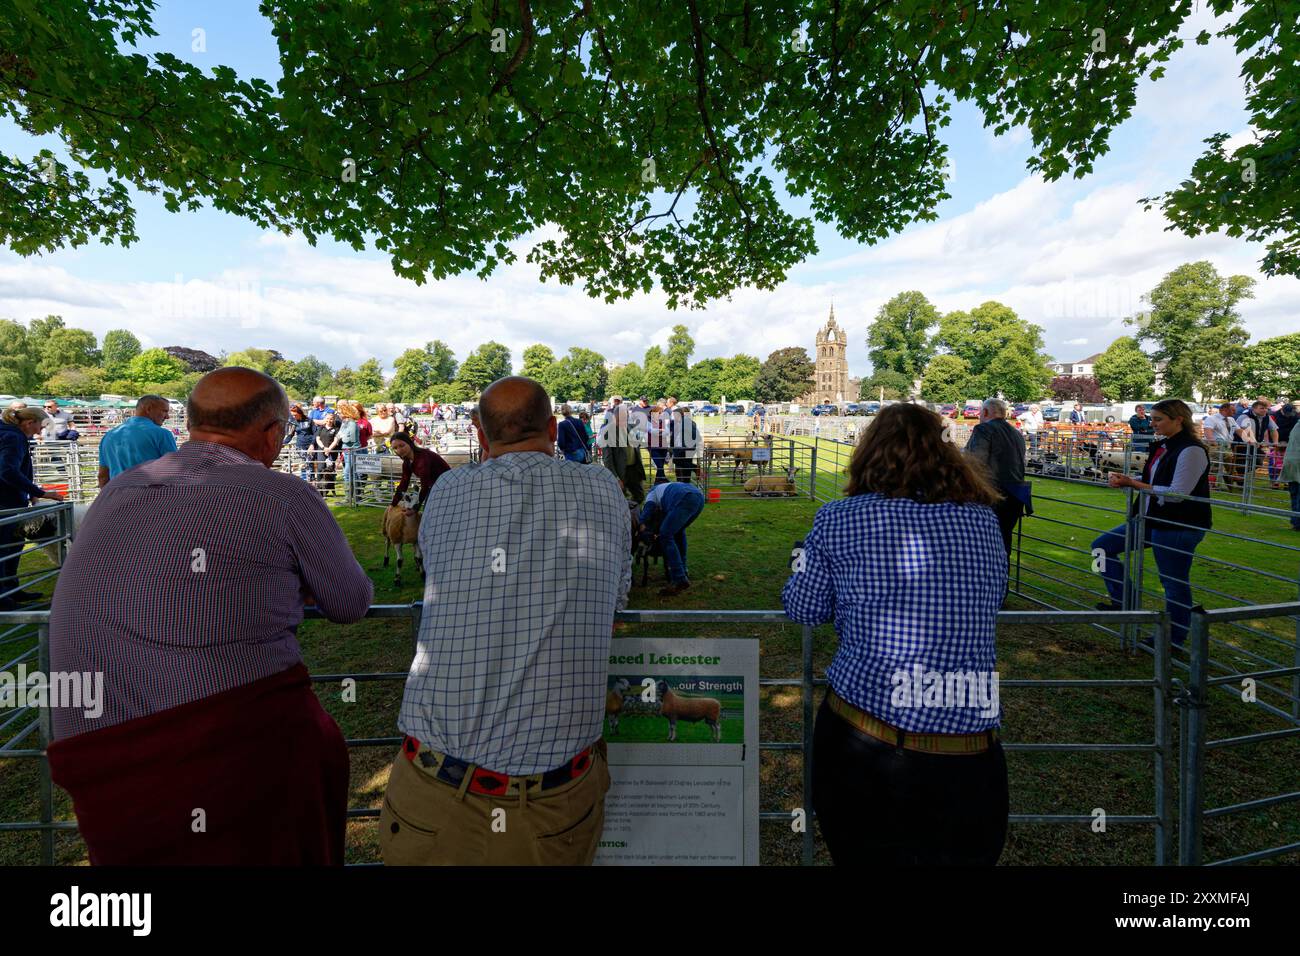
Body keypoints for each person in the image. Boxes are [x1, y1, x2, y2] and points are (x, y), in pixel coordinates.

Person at [46, 367, 373, 864]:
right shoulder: (283, 495)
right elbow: (350, 602)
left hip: (98, 747)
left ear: (191, 422)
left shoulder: (117, 492)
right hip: (226, 750)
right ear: (272, 433)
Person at [382, 376, 629, 866]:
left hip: (434, 782)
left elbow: (435, 563)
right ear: (554, 429)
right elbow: (618, 594)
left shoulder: (450, 491)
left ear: (478, 435)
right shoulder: (603, 489)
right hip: (554, 798)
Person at [782, 402, 1007, 865]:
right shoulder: (984, 520)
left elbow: (804, 607)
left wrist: (805, 556)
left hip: (870, 742)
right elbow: (992, 598)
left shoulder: (840, 518)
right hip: (971, 753)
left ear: (870, 453)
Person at [1092, 399, 1211, 648]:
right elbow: (1156, 479)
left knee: (1173, 582)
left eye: (1158, 419)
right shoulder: (1165, 446)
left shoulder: (1191, 450)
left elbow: (1178, 493)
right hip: (1150, 518)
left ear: (1178, 419)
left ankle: (1173, 639)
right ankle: (1124, 600)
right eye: (1153, 418)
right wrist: (1129, 479)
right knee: (1101, 547)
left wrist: (1133, 484)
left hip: (1177, 525)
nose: (1152, 423)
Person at [0, 406, 65, 611]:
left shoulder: (11, 435)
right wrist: (40, 492)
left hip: (12, 499)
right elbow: (8, 470)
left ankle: (11, 588)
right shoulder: (13, 437)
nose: (40, 431)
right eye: (40, 425)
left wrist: (31, 493)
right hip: (5, 501)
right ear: (29, 423)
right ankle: (4, 599)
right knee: (4, 548)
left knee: (13, 543)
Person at [964, 398, 1029, 568]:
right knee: (1004, 542)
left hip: (991, 494)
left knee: (984, 544)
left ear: (985, 412)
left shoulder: (983, 429)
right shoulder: (1017, 434)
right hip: (1016, 496)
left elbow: (974, 462)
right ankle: (1002, 585)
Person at [637, 480, 705, 596]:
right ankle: (683, 571)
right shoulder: (666, 487)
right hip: (699, 497)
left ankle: (679, 579)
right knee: (678, 532)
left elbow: (648, 508)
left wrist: (641, 524)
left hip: (684, 498)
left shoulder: (651, 493)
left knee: (665, 535)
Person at [97, 395, 178, 488]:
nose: (167, 417)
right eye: (164, 411)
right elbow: (174, 472)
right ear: (149, 409)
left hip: (117, 498)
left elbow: (103, 477)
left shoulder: (108, 436)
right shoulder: (162, 434)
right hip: (151, 498)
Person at [388, 430, 450, 512]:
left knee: (431, 512)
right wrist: (393, 504)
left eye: (402, 445)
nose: (399, 450)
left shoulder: (423, 458)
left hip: (447, 486)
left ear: (409, 443)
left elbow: (425, 485)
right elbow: (404, 483)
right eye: (395, 448)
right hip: (435, 486)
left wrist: (415, 508)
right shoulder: (407, 462)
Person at [1234, 399, 1277, 490]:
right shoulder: (1244, 416)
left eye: (1266, 408)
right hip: (1241, 443)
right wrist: (1249, 440)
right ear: (1254, 409)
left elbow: (1273, 430)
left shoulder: (1267, 417)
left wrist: (1275, 442)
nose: (1265, 410)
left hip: (1255, 443)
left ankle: (1238, 478)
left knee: (1257, 459)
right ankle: (1240, 481)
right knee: (1243, 461)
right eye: (1262, 408)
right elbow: (1239, 430)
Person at [1201, 401, 1238, 490]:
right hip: (1215, 446)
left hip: (1227, 446)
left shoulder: (1231, 420)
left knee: (1229, 465)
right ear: (1224, 410)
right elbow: (1208, 430)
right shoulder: (1212, 419)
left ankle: (1230, 483)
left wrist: (1248, 440)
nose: (1235, 412)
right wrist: (1212, 441)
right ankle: (1211, 485)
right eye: (1232, 410)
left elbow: (1238, 430)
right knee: (1214, 465)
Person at [287, 403, 317, 480]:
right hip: (300, 446)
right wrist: (283, 443)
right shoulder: (293, 422)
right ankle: (306, 479)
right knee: (307, 462)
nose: (294, 417)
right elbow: (290, 435)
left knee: (309, 462)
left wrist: (312, 444)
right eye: (292, 415)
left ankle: (310, 480)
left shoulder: (309, 420)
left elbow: (315, 433)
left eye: (295, 415)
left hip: (310, 445)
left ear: (299, 413)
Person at [314, 412, 342, 495]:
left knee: (331, 471)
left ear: (333, 420)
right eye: (328, 418)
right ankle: (319, 490)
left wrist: (329, 449)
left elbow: (336, 440)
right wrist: (324, 448)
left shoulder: (336, 429)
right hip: (321, 451)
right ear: (325, 419)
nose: (329, 420)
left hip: (332, 452)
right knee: (320, 469)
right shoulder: (321, 428)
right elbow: (318, 439)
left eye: (331, 419)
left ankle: (331, 489)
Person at [1281, 420, 1300, 531]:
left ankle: (1295, 522)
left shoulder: (1297, 424)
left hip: (1291, 462)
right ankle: (1297, 523)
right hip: (1297, 462)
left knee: (1295, 493)